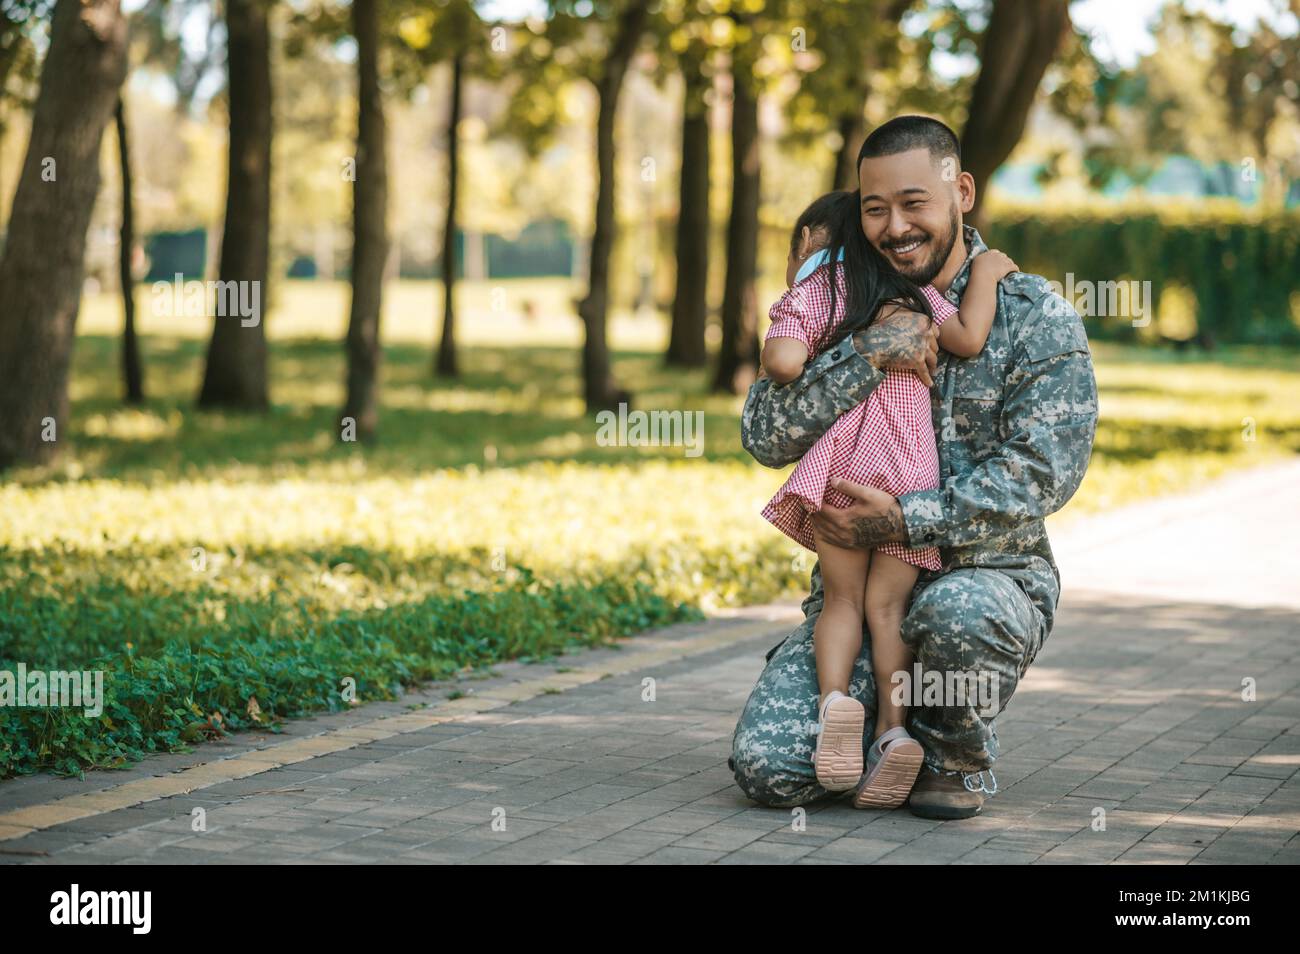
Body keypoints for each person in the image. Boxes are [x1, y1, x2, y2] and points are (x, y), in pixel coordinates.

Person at [730, 115, 1099, 820]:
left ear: (961, 192)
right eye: (874, 209)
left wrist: (906, 517)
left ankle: (947, 756)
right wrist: (867, 352)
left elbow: (1044, 471)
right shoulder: (847, 297)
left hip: (982, 575)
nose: (893, 227)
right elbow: (764, 432)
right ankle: (873, 731)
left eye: (913, 203)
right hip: (863, 596)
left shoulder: (1031, 314)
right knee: (769, 770)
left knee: (960, 614)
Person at [759, 189, 1018, 808]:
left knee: (842, 601)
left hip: (844, 471)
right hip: (909, 474)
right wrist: (986, 269)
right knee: (889, 610)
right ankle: (892, 733)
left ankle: (834, 703)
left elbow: (783, 363)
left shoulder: (820, 294)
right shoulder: (912, 294)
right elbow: (969, 336)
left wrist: (809, 327)